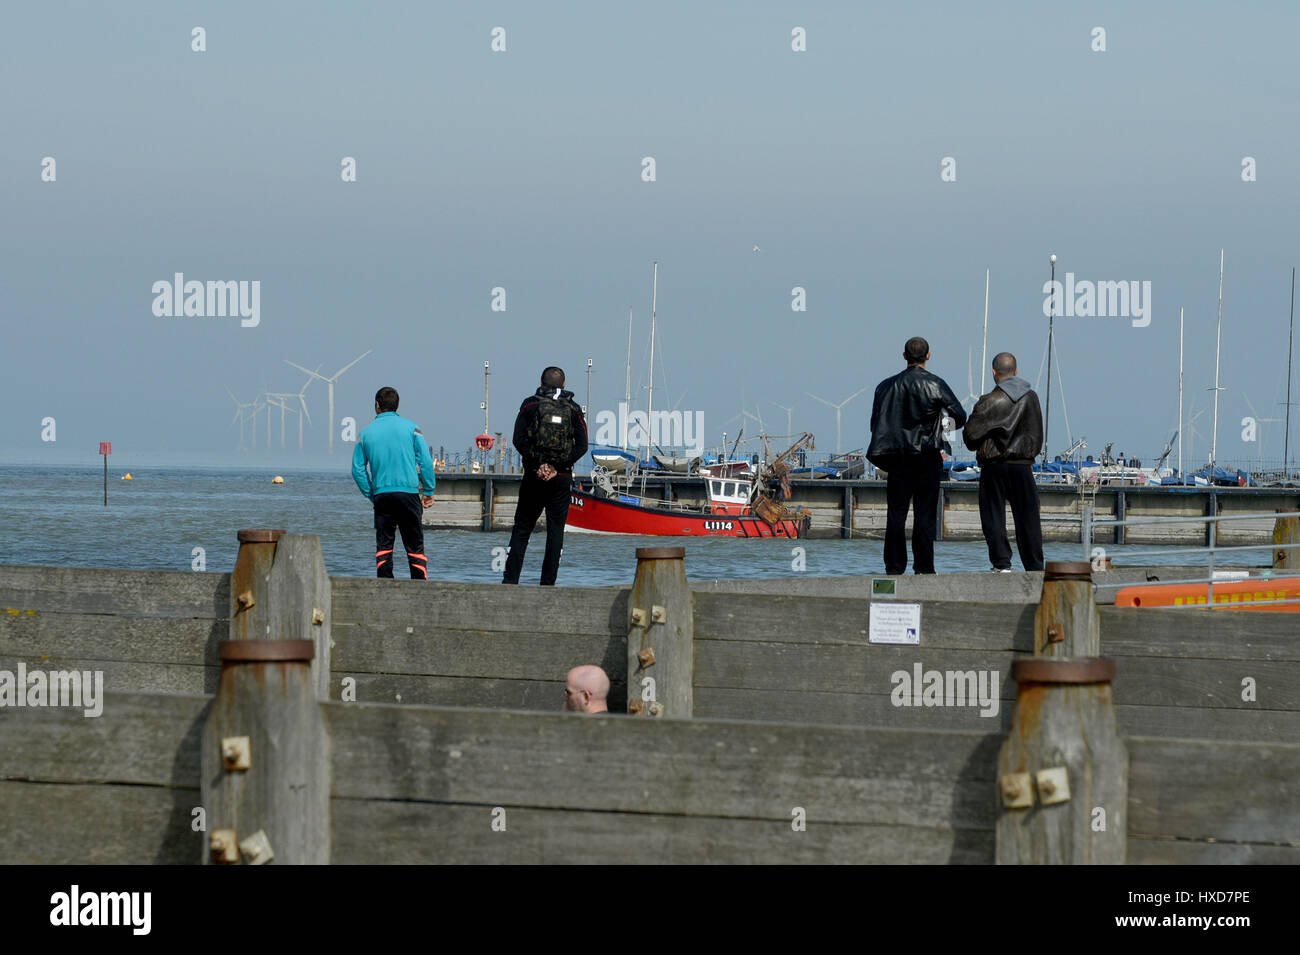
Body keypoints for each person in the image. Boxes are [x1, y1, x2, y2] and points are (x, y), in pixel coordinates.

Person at [867, 337, 967, 575]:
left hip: (897, 459)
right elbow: (960, 415)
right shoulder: (935, 384)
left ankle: (893, 566)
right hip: (926, 456)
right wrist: (944, 428)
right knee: (925, 514)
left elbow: (875, 423)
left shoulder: (884, 386)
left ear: (904, 356)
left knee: (896, 515)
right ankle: (924, 567)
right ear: (928, 356)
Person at [502, 366, 589, 585]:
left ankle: (510, 582)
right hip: (561, 479)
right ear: (564, 385)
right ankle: (547, 584)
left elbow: (518, 440)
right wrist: (558, 467)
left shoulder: (530, 404)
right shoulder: (574, 408)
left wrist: (539, 465)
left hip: (534, 476)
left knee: (522, 530)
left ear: (541, 382)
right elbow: (582, 446)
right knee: (555, 531)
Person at [962, 352, 1045, 572]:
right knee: (1028, 518)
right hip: (1022, 465)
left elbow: (970, 438)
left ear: (994, 372)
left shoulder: (988, 401)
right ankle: (1035, 566)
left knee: (993, 515)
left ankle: (1001, 564)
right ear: (1016, 371)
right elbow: (1037, 433)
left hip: (994, 465)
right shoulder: (1031, 398)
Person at [351, 387, 436, 579]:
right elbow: (426, 462)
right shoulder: (412, 429)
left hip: (382, 494)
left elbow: (357, 469)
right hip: (408, 494)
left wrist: (371, 493)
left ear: (377, 405)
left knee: (384, 545)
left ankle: (385, 588)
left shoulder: (364, 434)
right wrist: (429, 490)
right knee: (415, 545)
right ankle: (419, 588)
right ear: (397, 405)